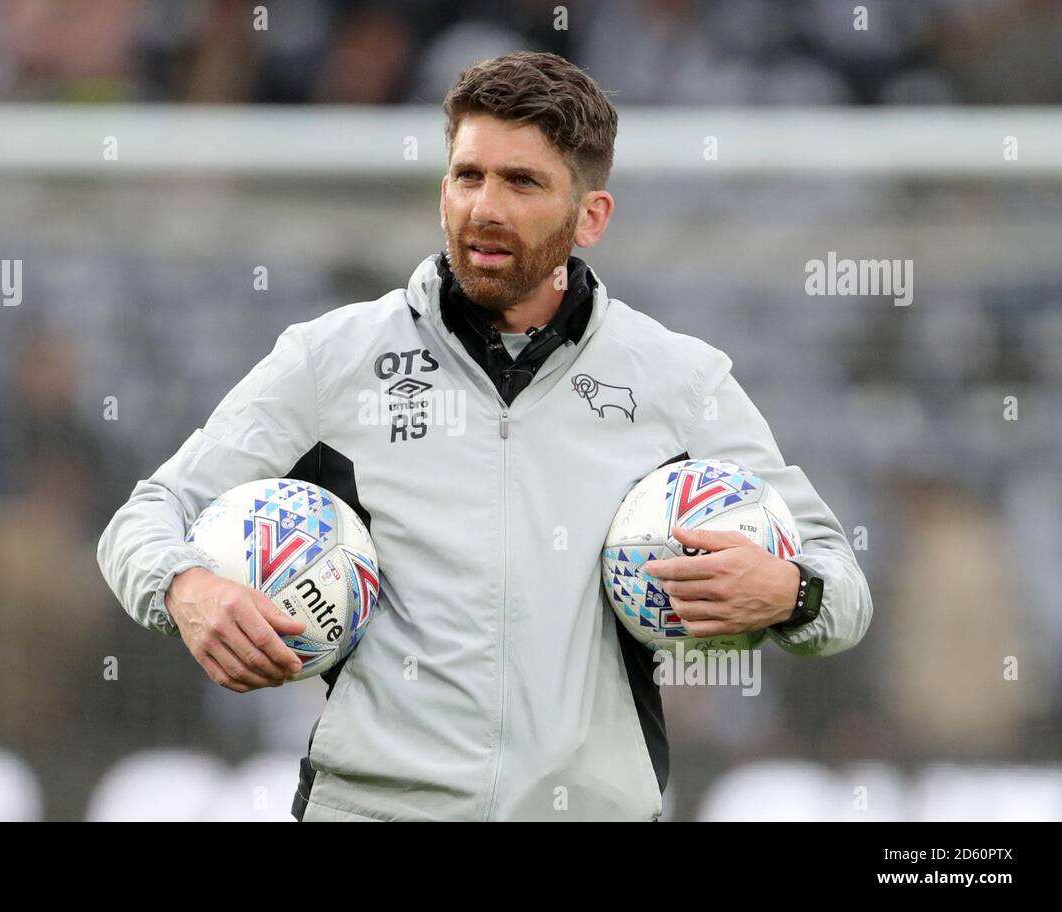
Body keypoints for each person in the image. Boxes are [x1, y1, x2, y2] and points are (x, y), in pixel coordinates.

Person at [97, 51, 872, 822]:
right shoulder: (333, 358)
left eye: (523, 182)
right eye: (469, 177)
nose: (485, 207)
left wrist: (790, 593)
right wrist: (186, 588)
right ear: (443, 191)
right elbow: (149, 514)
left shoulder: (678, 382)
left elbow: (842, 586)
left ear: (590, 217)